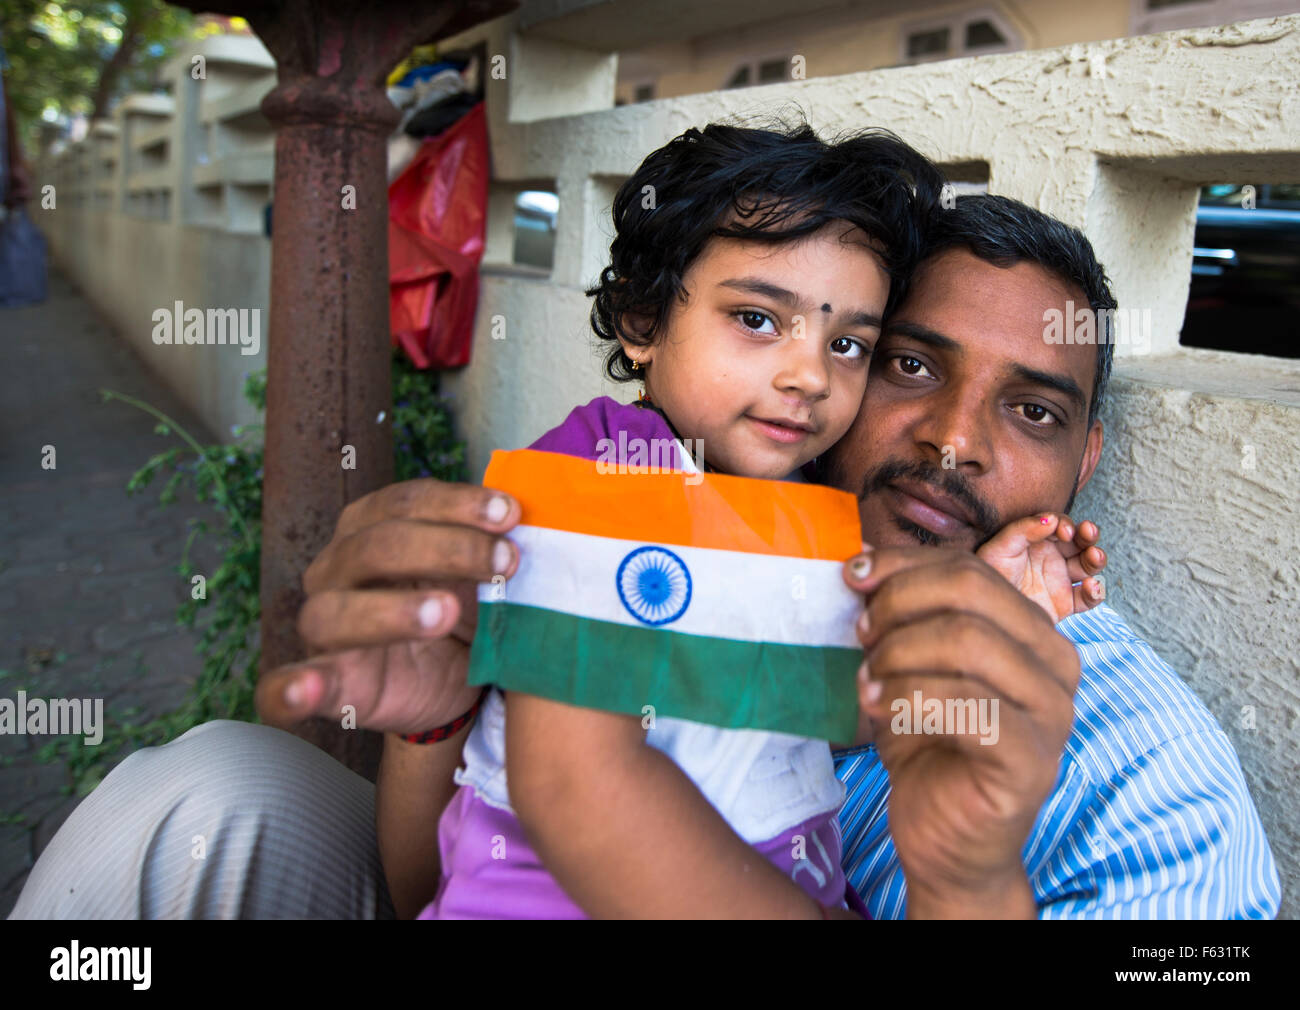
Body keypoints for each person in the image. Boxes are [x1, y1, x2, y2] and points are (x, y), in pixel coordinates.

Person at [9, 161, 1278, 923]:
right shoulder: (664, 527)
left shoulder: (1149, 784)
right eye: (899, 362)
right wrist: (442, 723)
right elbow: (427, 890)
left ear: (1084, 461)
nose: (951, 440)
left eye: (1032, 408)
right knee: (205, 790)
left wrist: (966, 887)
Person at [424, 124, 1106, 919]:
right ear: (643, 321)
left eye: (850, 343)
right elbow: (574, 783)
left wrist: (975, 601)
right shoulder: (605, 469)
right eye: (756, 319)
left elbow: (836, 708)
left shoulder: (796, 515)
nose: (810, 375)